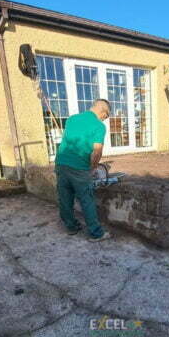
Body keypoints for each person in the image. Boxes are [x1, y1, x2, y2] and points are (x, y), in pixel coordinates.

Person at [54, 99, 111, 242]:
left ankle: (71, 227)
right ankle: (96, 233)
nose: (105, 119)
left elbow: (70, 140)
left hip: (61, 163)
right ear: (103, 111)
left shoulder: (72, 119)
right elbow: (97, 152)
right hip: (79, 167)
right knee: (87, 200)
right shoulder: (99, 126)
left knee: (65, 197)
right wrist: (92, 169)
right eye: (107, 116)